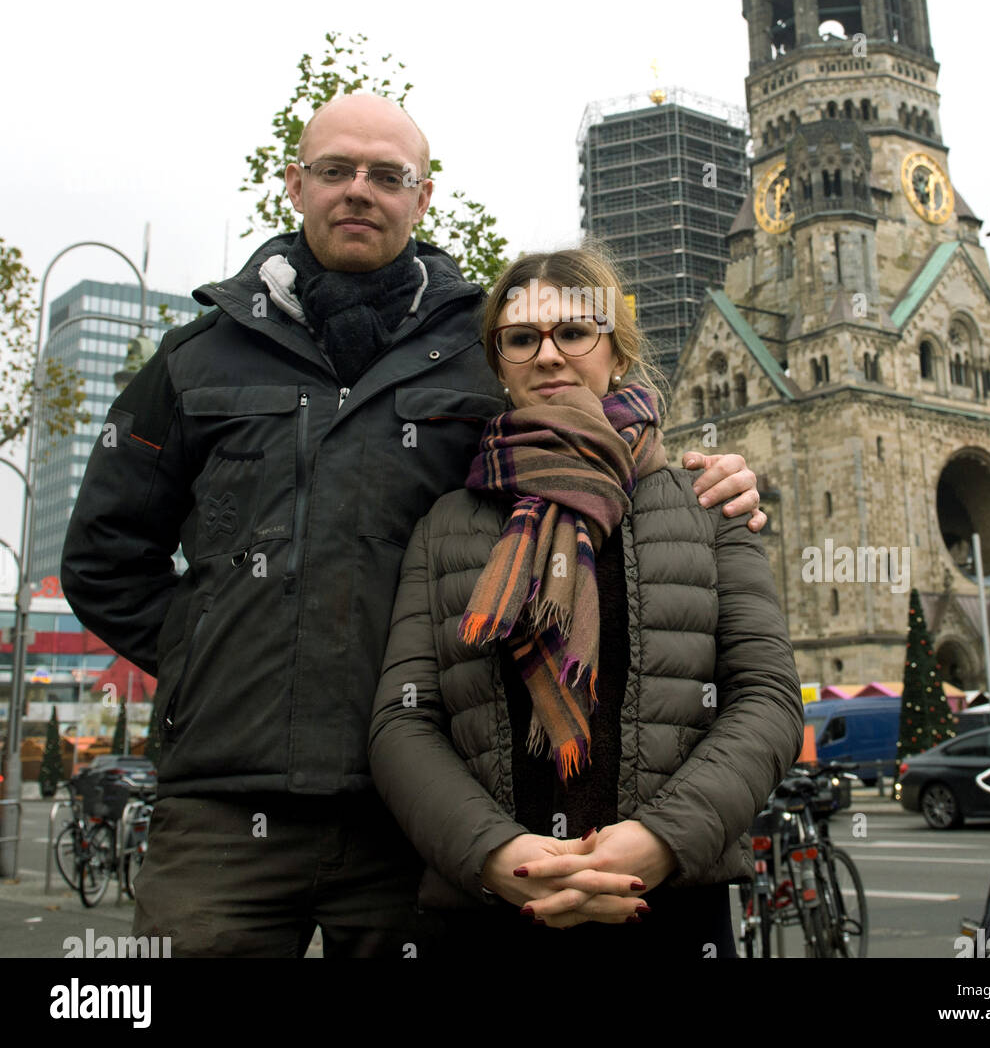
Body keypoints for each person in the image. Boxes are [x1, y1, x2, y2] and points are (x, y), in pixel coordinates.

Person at [60, 92, 768, 958]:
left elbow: (584, 439)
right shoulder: (196, 357)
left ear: (422, 196)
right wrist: (211, 654)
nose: (359, 190)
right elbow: (102, 556)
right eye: (335, 170)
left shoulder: (480, 352)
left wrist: (715, 475)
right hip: (224, 802)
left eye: (386, 175)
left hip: (417, 818)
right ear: (296, 184)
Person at [369, 247, 804, 960]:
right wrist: (494, 853)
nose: (548, 355)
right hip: (492, 915)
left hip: (669, 911)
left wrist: (661, 840)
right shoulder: (447, 522)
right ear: (500, 364)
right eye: (520, 338)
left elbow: (765, 698)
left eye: (574, 332)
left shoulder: (708, 504)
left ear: (617, 352)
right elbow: (402, 721)